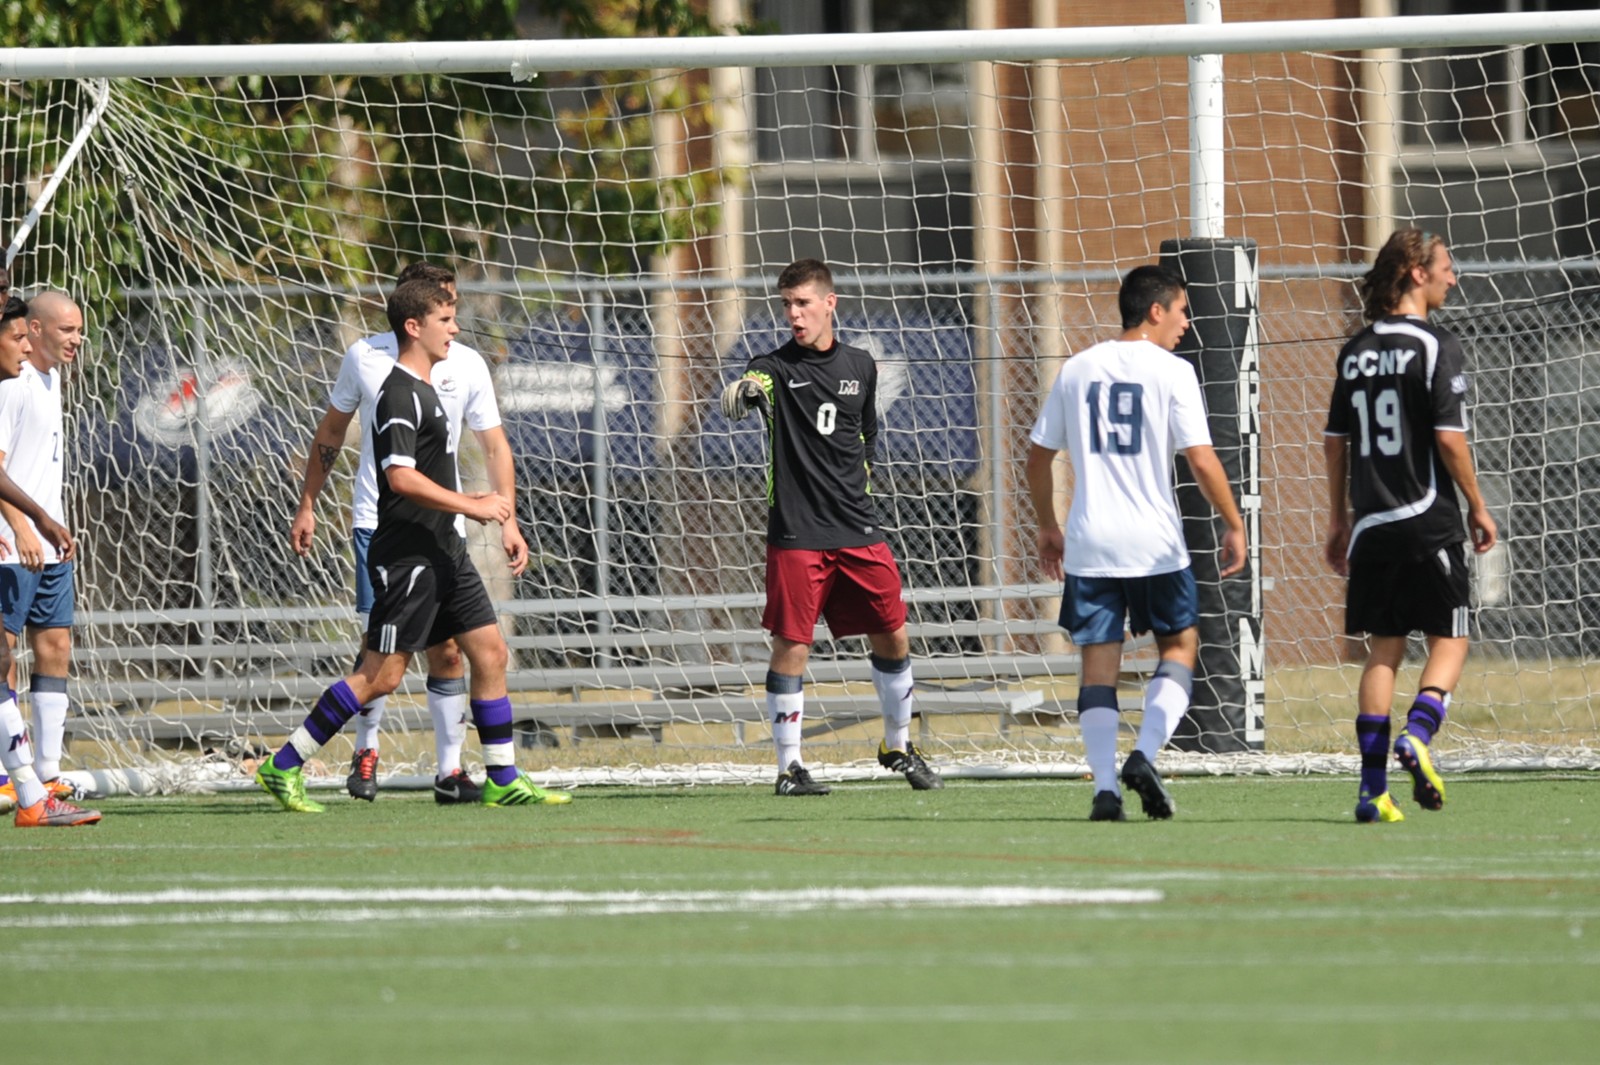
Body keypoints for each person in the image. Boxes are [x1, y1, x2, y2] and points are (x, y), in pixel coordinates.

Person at [258, 281, 566, 812]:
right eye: (445, 319)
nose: (456, 328)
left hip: (445, 547)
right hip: (409, 555)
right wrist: (471, 504)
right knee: (382, 675)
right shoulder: (398, 392)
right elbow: (398, 476)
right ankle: (283, 764)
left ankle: (502, 776)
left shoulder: (428, 385)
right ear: (414, 327)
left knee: (489, 652)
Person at [1025, 265, 1247, 822]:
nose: (1187, 323)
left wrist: (1047, 525)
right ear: (1156, 311)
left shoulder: (1077, 368)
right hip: (1153, 545)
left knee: (1097, 667)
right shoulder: (1172, 372)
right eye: (1182, 311)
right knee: (1179, 647)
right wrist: (1233, 520)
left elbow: (1037, 456)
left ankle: (1104, 790)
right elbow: (1200, 458)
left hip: (1090, 541)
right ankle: (1144, 755)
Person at [721, 258, 941, 796]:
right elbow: (751, 386)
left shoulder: (862, 366)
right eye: (786, 305)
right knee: (792, 644)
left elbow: (867, 441)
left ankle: (896, 744)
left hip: (858, 529)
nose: (794, 315)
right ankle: (790, 767)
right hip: (798, 534)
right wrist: (744, 392)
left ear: (829, 304)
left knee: (892, 633)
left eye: (802, 304)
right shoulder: (771, 367)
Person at [1324, 228, 1497, 824]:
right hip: (1428, 518)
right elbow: (1449, 440)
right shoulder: (1436, 345)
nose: (1454, 277)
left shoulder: (1354, 350)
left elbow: (1334, 444)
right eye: (1447, 267)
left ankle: (1373, 791)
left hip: (1370, 524)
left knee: (1382, 652)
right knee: (1451, 638)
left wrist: (1339, 518)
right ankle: (1419, 735)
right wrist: (1476, 503)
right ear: (1417, 274)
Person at [0, 294, 99, 827]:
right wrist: (20, 525)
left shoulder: (48, 377)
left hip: (48, 538)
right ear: (33, 329)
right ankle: (16, 780)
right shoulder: (10, 386)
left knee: (55, 644)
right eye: (66, 329)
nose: (75, 339)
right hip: (16, 545)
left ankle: (46, 771)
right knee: (3, 655)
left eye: (79, 330)